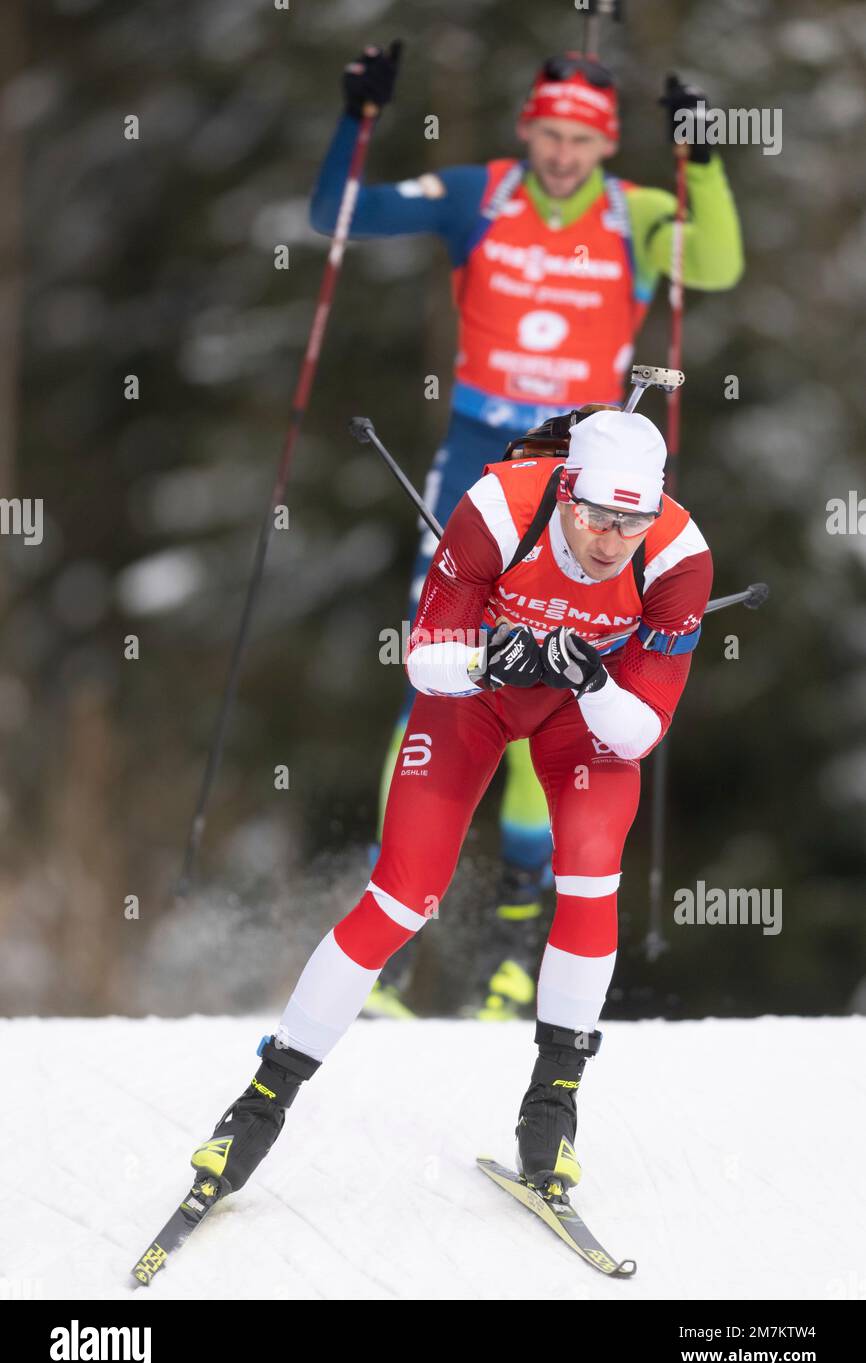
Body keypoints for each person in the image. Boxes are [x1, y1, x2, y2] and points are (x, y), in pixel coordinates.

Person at [311, 44, 741, 1017]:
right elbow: (335, 216)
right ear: (524, 128)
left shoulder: (629, 212)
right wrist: (357, 118)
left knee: (560, 680)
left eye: (580, 138)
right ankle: (393, 923)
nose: (560, 154)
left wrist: (701, 158)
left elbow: (712, 261)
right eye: (548, 133)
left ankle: (512, 934)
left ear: (605, 142)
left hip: (586, 489)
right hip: (476, 464)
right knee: (442, 668)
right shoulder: (477, 193)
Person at [190, 407, 713, 1202]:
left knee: (590, 878)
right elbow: (426, 662)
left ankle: (552, 1111)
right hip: (477, 699)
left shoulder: (678, 557)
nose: (613, 540)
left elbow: (640, 730)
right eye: (599, 516)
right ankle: (260, 1104)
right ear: (567, 493)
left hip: (584, 716)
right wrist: (489, 655)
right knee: (403, 895)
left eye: (632, 520)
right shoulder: (500, 507)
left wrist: (592, 676)